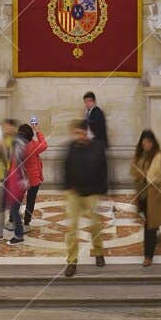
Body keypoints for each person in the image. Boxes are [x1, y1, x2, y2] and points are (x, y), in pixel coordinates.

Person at [61, 119, 109, 277]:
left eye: (81, 133)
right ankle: (72, 261)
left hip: (92, 193)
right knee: (72, 228)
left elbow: (103, 169)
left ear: (86, 132)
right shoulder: (70, 147)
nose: (79, 137)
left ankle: (99, 252)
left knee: (95, 224)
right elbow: (65, 167)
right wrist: (67, 187)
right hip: (74, 193)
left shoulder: (97, 147)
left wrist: (103, 190)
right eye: (76, 134)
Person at [131, 129, 161, 267]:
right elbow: (134, 171)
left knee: (149, 226)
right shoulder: (139, 155)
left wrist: (147, 176)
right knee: (150, 222)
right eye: (144, 143)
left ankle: (148, 256)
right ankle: (156, 235)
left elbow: (158, 177)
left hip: (153, 197)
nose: (146, 145)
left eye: (149, 142)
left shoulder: (158, 156)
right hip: (142, 195)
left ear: (153, 143)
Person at [20, 117, 48, 226]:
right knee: (30, 201)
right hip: (33, 178)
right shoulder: (33, 145)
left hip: (21, 177)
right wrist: (38, 131)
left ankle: (12, 220)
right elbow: (44, 145)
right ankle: (26, 223)